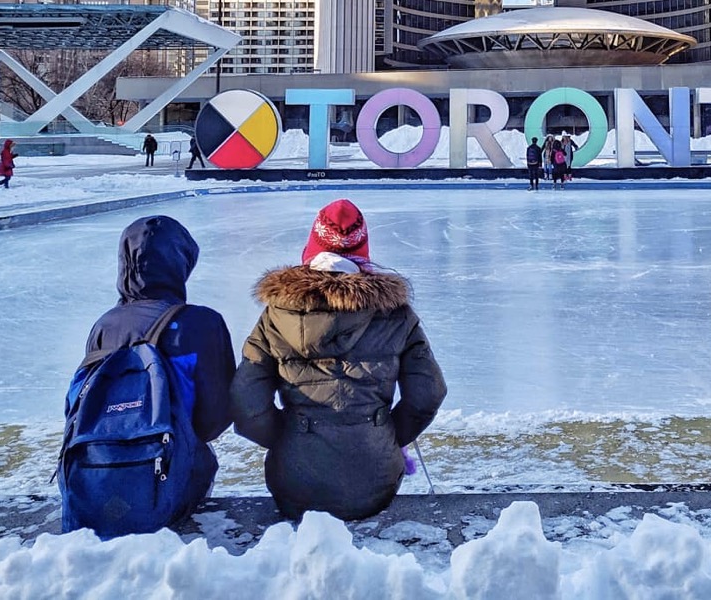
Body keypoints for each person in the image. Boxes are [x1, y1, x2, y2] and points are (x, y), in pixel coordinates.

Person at [230, 198, 447, 522]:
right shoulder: (397, 314)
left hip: (294, 486)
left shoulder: (277, 315)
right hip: (375, 483)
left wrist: (290, 439)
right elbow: (428, 393)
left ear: (313, 249)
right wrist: (383, 435)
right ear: (362, 252)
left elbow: (246, 401)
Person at [73, 215, 236, 523]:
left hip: (98, 480)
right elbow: (214, 420)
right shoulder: (201, 323)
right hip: (174, 481)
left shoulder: (104, 325)